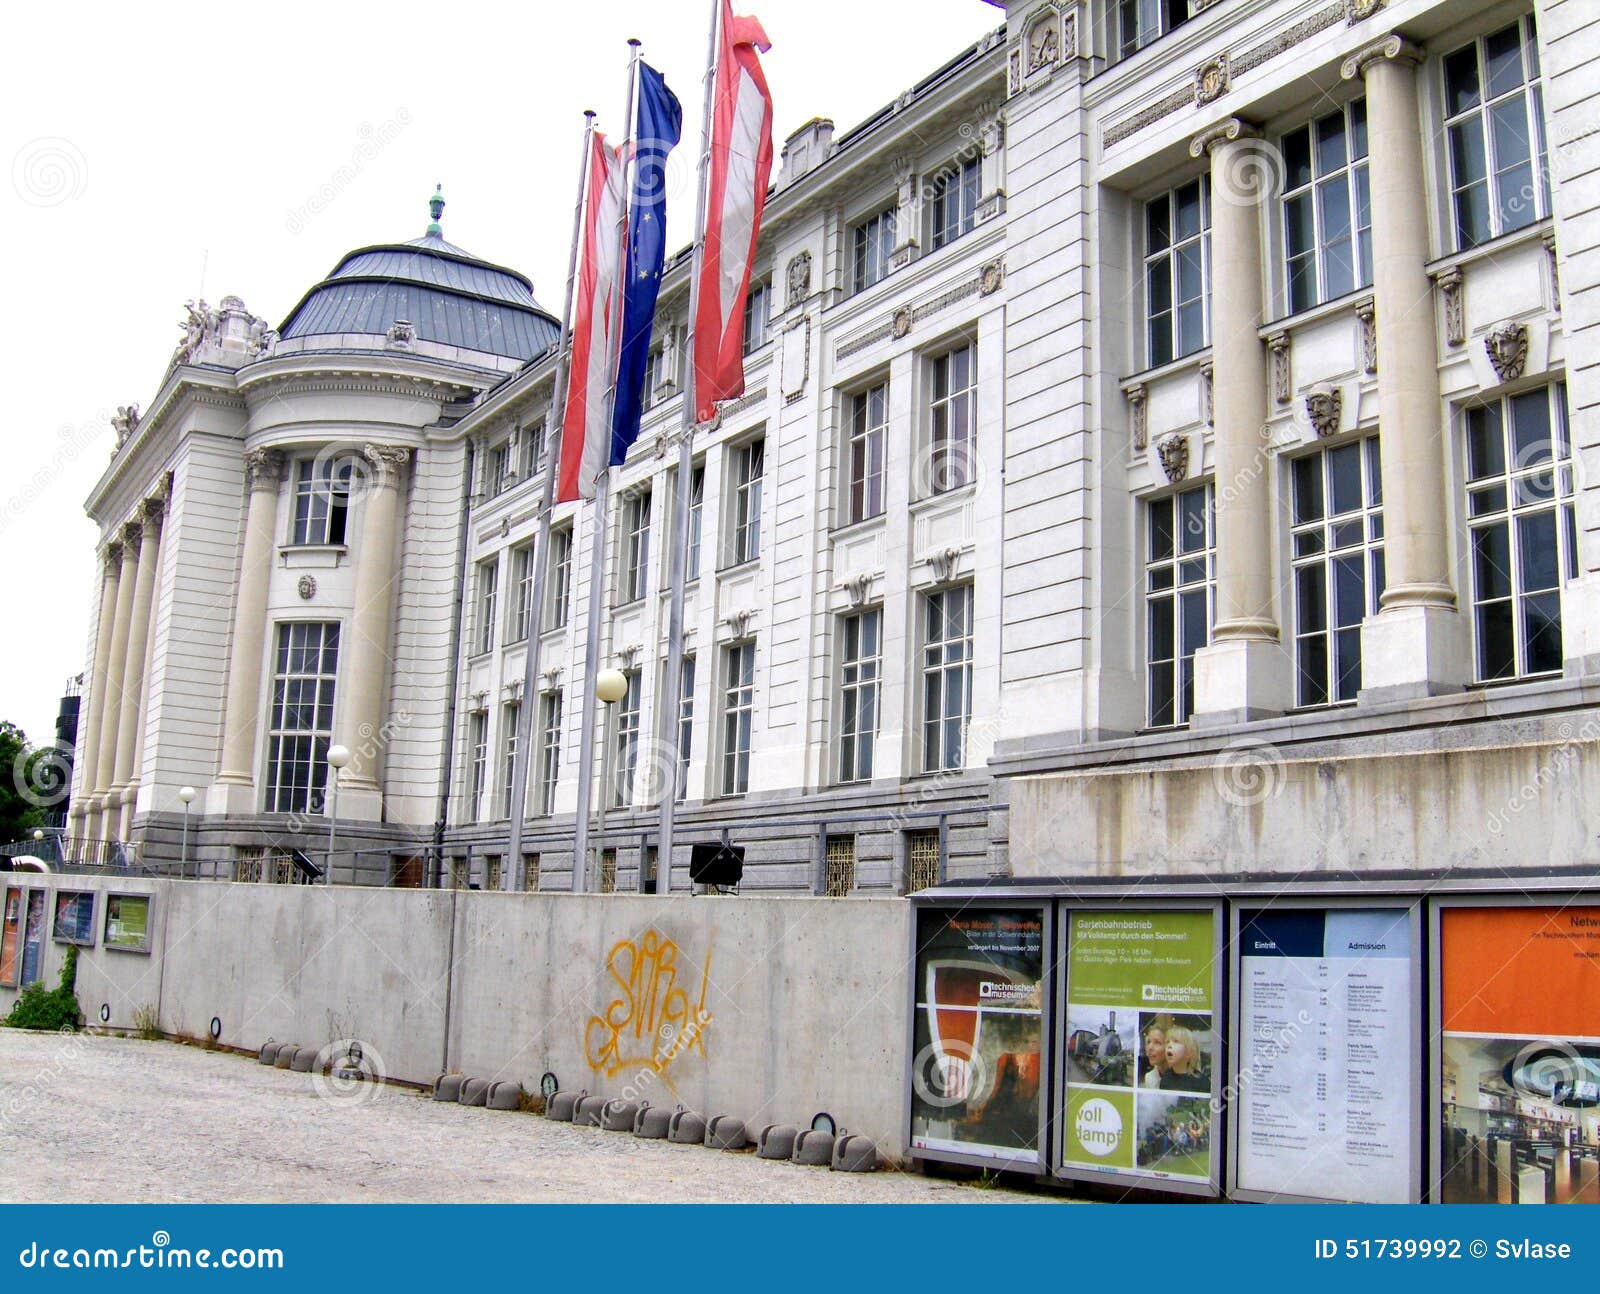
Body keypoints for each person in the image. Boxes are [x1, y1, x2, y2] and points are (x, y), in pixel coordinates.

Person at [1160, 1025, 1209, 1093]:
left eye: (1176, 1041)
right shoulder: (1166, 1077)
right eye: (1167, 1042)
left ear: (1188, 1052)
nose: (1169, 1045)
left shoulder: (1201, 1081)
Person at [1140, 1015, 1173, 1089]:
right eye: (1148, 1042)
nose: (1150, 1048)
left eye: (1157, 1042)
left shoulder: (1181, 1076)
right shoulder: (1149, 1077)